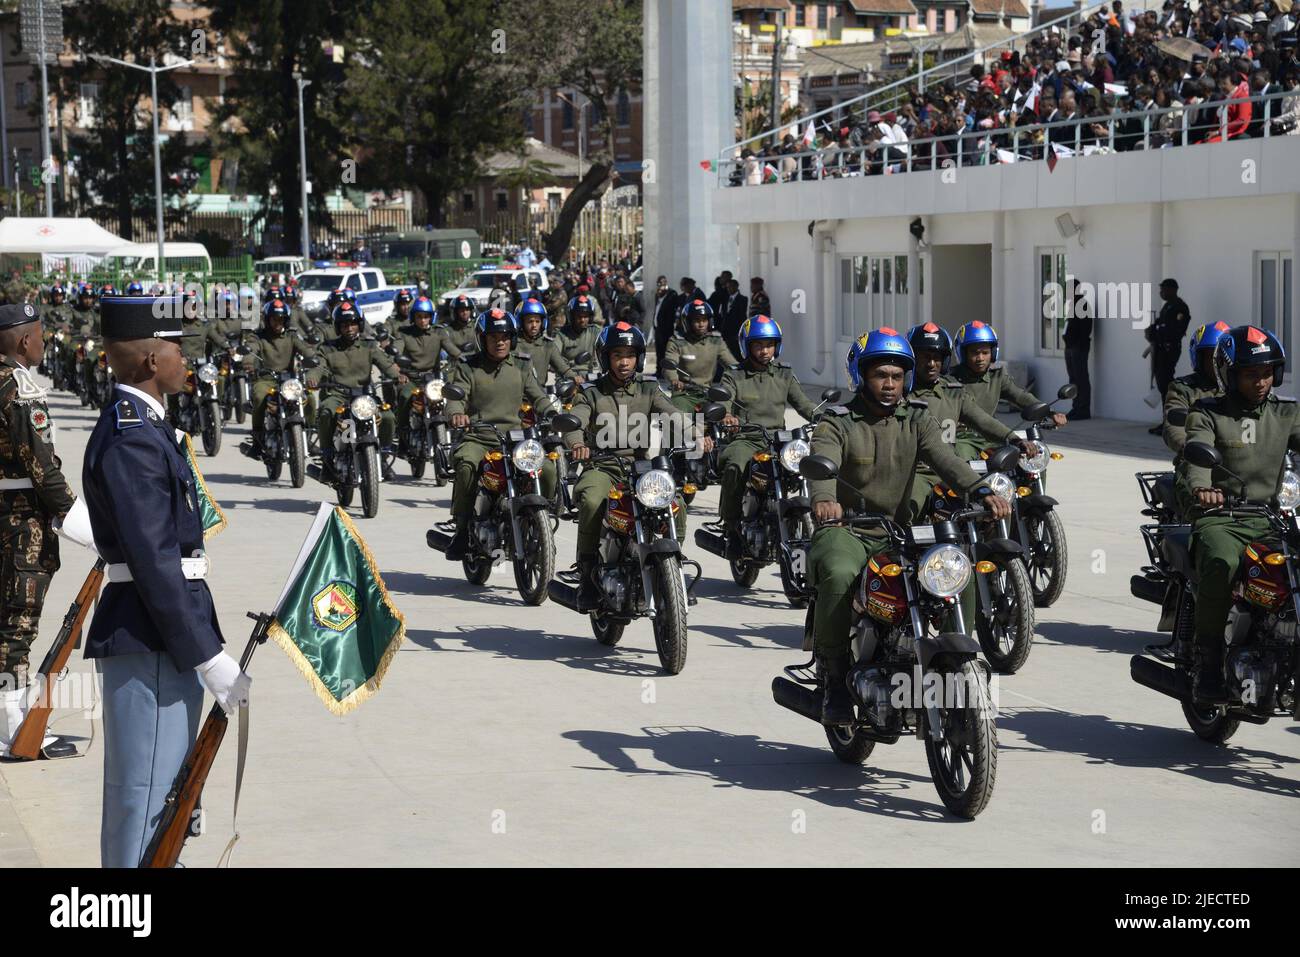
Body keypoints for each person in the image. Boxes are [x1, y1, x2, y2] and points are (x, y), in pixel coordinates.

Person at [82, 294, 250, 867]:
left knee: (169, 791)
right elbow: (154, 560)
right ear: (154, 361)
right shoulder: (132, 437)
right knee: (146, 798)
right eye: (178, 348)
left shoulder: (148, 427)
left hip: (162, 632)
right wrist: (205, 655)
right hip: (151, 634)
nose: (186, 359)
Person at [806, 328, 1009, 725]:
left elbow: (946, 460)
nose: (889, 384)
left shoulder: (917, 418)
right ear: (861, 376)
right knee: (838, 573)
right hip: (848, 529)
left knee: (955, 571)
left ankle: (957, 658)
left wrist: (983, 492)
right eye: (881, 375)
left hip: (899, 531)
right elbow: (822, 458)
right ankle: (832, 677)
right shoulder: (838, 422)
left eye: (897, 376)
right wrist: (824, 500)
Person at [1179, 325, 1299, 703]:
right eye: (1251, 374)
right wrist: (1202, 488)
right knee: (1220, 563)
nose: (1261, 382)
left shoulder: (1286, 413)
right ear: (1229, 375)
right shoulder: (1207, 412)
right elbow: (1196, 452)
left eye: (1267, 373)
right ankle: (1209, 661)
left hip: (1271, 518)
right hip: (1223, 517)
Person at [562, 321, 712, 607]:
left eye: (629, 355)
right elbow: (576, 420)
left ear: (639, 357)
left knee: (676, 501)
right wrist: (577, 444)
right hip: (601, 467)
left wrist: (697, 433)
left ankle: (674, 568)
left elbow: (673, 413)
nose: (624, 361)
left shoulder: (649, 390)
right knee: (593, 501)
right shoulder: (592, 392)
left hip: (641, 469)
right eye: (617, 355)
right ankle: (587, 571)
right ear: (606, 358)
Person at [0, 303, 78, 758]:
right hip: (20, 520)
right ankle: (13, 732)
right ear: (26, 340)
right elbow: (43, 468)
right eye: (41, 335)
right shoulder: (20, 385)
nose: (45, 343)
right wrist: (79, 521)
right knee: (17, 625)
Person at [442, 308, 556, 560]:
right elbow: (455, 396)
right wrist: (456, 414)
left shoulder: (522, 366)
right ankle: (461, 529)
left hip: (515, 440)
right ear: (482, 339)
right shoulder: (468, 366)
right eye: (493, 337)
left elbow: (538, 396)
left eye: (505, 336)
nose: (500, 341)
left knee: (547, 469)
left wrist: (551, 413)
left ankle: (541, 521)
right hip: (479, 437)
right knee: (466, 465)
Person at [904, 322, 1031, 520]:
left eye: (937, 358)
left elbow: (983, 421)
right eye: (924, 357)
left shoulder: (953, 392)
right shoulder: (901, 394)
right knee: (908, 514)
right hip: (918, 474)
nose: (931, 364)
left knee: (987, 509)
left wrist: (1014, 439)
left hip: (950, 471)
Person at [715, 315, 815, 558]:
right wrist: (726, 415)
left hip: (779, 441)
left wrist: (826, 417)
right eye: (758, 345)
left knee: (813, 464)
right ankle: (731, 527)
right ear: (747, 346)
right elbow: (723, 399)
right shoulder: (735, 374)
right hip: (746, 439)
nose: (764, 351)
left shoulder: (784, 374)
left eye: (769, 344)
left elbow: (804, 404)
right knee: (736, 466)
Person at [305, 301, 406, 476]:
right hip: (338, 395)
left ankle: (382, 456)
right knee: (325, 412)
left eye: (352, 323)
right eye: (344, 325)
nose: (349, 328)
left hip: (364, 397)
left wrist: (398, 376)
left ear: (359, 325)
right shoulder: (328, 348)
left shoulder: (369, 346)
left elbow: (386, 364)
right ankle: (327, 456)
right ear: (338, 327)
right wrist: (312, 379)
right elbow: (317, 367)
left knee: (388, 416)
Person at [949, 321, 1066, 456]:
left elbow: (1020, 396)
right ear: (963, 353)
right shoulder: (950, 380)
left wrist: (1050, 412)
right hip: (963, 439)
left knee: (1030, 458)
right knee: (963, 465)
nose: (980, 358)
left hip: (992, 436)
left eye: (985, 352)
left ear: (993, 353)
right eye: (974, 353)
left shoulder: (996, 376)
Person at [242, 298, 317, 455]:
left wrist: (312, 358)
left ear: (286, 320)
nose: (277, 322)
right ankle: (257, 438)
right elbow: (251, 349)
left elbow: (304, 348)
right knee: (259, 396)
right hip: (265, 380)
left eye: (281, 319)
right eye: (274, 319)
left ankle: (308, 435)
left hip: (289, 381)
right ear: (267, 320)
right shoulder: (259, 336)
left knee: (309, 399)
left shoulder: (292, 336)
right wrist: (248, 362)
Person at [1162, 320, 1229, 458]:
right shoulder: (1183, 389)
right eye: (1212, 356)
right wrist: (1188, 447)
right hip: (1198, 460)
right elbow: (1173, 427)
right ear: (1200, 358)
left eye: (1222, 356)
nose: (1218, 362)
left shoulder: (1242, 387)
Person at [659, 299, 740, 411]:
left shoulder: (716, 341)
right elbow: (669, 365)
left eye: (704, 320)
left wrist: (743, 372)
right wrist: (674, 380)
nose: (701, 324)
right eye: (697, 320)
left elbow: (731, 364)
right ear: (687, 322)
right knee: (678, 416)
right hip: (683, 394)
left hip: (708, 394)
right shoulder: (677, 341)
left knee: (725, 417)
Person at [1147, 278, 1191, 433]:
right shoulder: (1168, 306)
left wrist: (1158, 331)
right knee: (1162, 385)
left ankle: (1171, 422)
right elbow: (1158, 325)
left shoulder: (1180, 307)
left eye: (1164, 289)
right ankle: (1166, 421)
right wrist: (1153, 331)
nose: (1161, 292)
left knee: (1167, 386)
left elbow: (1174, 330)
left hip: (1169, 350)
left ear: (1173, 290)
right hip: (1161, 349)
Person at [515, 295, 578, 386]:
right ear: (521, 322)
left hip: (540, 395)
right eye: (530, 321)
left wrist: (574, 377)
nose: (534, 325)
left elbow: (562, 367)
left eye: (537, 321)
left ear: (543, 323)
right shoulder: (513, 345)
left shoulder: (547, 345)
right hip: (519, 396)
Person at [1062, 282, 1094, 420]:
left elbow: (1085, 329)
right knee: (1073, 379)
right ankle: (1076, 407)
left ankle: (1083, 409)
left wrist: (1076, 343)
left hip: (1078, 348)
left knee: (1081, 379)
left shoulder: (1083, 305)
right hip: (1070, 347)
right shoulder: (1072, 305)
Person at [558, 294, 601, 378]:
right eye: (579, 316)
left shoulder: (595, 331)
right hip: (567, 375)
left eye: (585, 316)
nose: (582, 320)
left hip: (589, 374)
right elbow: (555, 355)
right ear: (572, 317)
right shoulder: (561, 334)